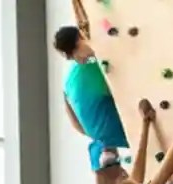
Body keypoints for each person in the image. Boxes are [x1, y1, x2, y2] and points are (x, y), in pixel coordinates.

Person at [53, 16, 131, 172]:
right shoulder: (87, 70)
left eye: (74, 53)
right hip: (110, 132)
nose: (77, 58)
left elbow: (76, 123)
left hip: (104, 134)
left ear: (80, 39)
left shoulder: (78, 74)